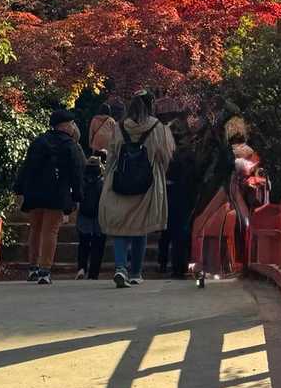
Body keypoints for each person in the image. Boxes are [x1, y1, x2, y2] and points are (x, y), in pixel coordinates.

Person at [99, 90, 175, 287]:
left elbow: (112, 155)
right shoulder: (157, 126)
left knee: (120, 228)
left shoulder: (119, 126)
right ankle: (136, 272)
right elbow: (164, 156)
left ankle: (120, 267)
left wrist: (107, 178)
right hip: (147, 183)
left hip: (120, 181)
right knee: (141, 228)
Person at [14, 109, 85, 284]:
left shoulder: (39, 141)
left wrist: (20, 187)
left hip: (35, 191)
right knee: (50, 231)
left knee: (35, 229)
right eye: (72, 123)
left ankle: (33, 267)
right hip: (57, 192)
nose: (73, 127)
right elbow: (76, 173)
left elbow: (27, 166)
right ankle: (45, 270)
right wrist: (77, 195)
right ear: (66, 125)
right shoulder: (70, 146)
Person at [162, 126, 200, 279]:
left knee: (174, 235)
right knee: (185, 233)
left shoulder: (175, 157)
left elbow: (170, 176)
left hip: (174, 198)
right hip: (188, 198)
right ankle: (185, 265)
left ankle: (176, 267)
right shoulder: (192, 156)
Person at [76, 151, 107, 281]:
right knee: (98, 247)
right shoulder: (102, 182)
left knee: (83, 244)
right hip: (99, 218)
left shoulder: (81, 181)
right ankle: (94, 273)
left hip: (83, 216)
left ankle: (82, 267)